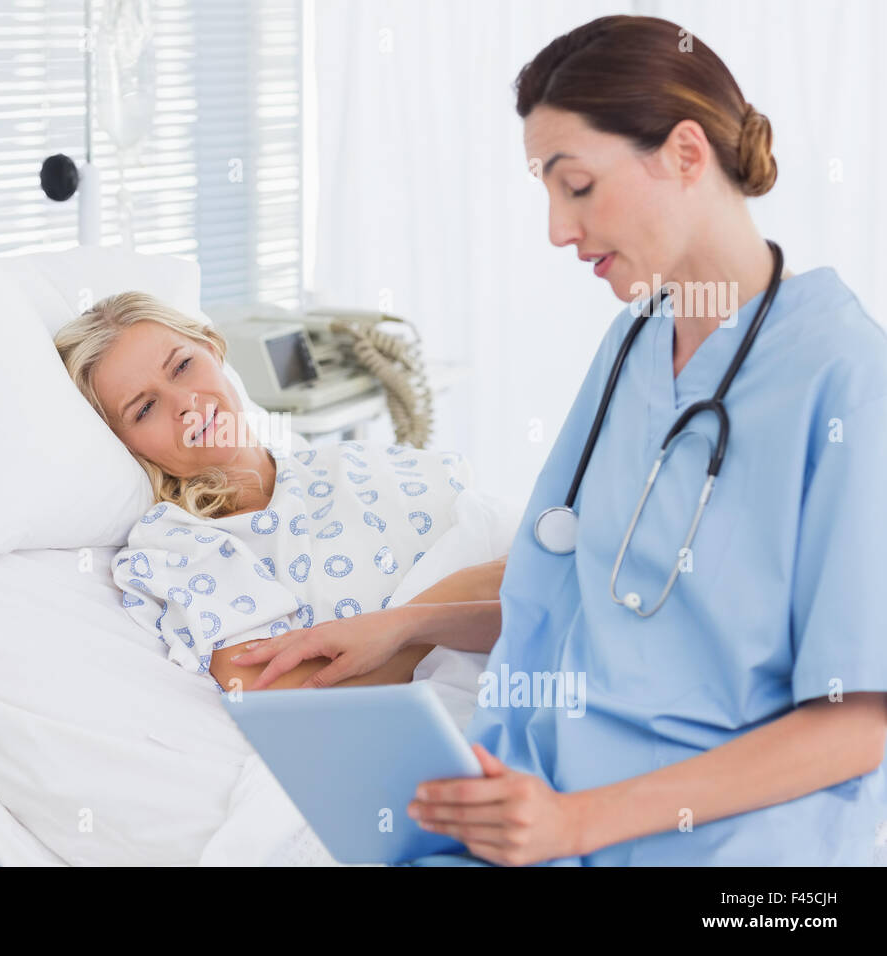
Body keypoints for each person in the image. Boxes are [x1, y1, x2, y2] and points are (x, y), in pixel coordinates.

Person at [235, 14, 887, 865]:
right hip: (540, 804)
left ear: (687, 154)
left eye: (575, 184)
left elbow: (856, 727)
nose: (555, 228)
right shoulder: (636, 346)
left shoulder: (845, 379)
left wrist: (579, 824)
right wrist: (403, 628)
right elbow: (594, 572)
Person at [53, 291, 510, 692]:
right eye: (145, 408)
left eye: (183, 366)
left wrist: (411, 627)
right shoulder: (181, 548)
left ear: (214, 349)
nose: (186, 405)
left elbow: (535, 554)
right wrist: (446, 606)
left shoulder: (355, 463)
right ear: (122, 443)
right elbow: (286, 697)